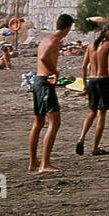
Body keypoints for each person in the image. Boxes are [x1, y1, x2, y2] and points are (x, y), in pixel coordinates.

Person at [28, 14, 74, 173]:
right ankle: (44, 164)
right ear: (68, 28)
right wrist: (55, 71)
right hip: (45, 83)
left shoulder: (46, 38)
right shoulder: (54, 41)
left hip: (38, 81)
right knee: (55, 122)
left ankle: (33, 162)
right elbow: (43, 57)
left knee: (38, 123)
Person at [77, 22, 109, 156]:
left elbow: (84, 66)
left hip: (92, 80)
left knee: (91, 112)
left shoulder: (92, 45)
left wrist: (84, 84)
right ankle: (95, 147)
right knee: (101, 114)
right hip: (103, 81)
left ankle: (81, 138)